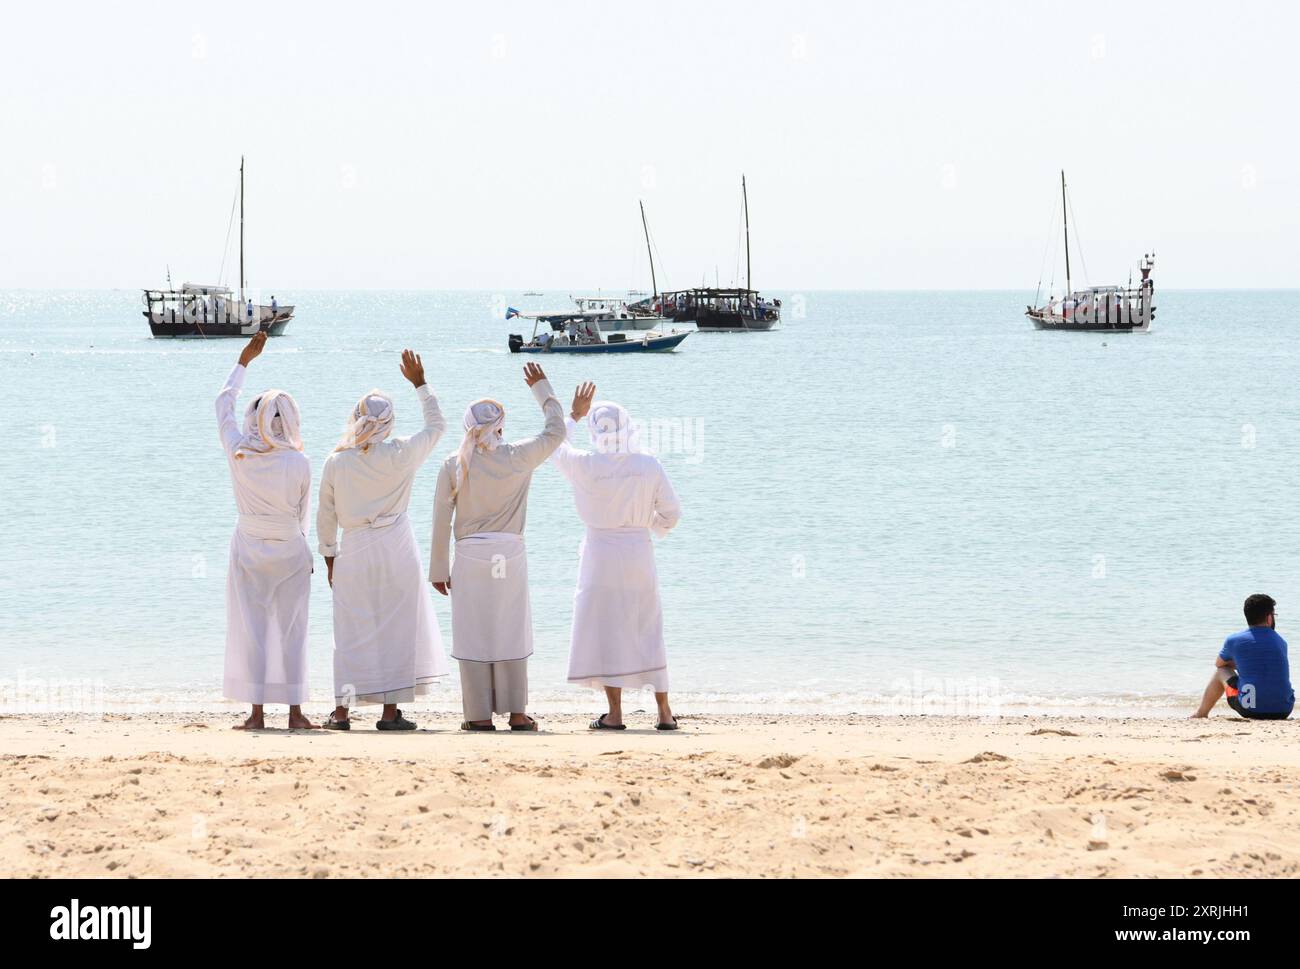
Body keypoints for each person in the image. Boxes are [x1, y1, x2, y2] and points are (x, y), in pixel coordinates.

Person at [430, 362, 565, 732]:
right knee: (510, 630)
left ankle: (477, 716)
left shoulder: (453, 465)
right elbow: (556, 431)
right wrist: (542, 389)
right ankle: (517, 713)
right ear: (501, 426)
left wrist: (438, 570)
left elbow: (442, 519)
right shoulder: (519, 456)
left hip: (470, 557)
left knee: (474, 634)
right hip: (509, 555)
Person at [318, 350, 448, 731]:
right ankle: (390, 713)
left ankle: (341, 712)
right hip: (396, 546)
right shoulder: (402, 453)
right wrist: (420, 384)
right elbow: (438, 426)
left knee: (351, 630)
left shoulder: (336, 460)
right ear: (389, 423)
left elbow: (325, 516)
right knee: (397, 628)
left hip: (354, 548)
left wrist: (330, 558)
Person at [549, 383, 682, 731]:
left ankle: (615, 714)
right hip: (638, 552)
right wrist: (642, 522)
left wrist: (574, 415)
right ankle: (665, 713)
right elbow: (672, 514)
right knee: (648, 628)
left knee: (606, 629)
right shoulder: (648, 464)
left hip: (600, 555)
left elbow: (554, 446)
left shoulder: (584, 463)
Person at [215, 331, 314, 730]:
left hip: (249, 548)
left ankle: (256, 714)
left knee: (252, 628)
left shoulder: (239, 452)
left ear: (253, 419)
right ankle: (294, 714)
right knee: (293, 630)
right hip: (290, 548)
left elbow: (222, 405)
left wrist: (244, 361)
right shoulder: (299, 462)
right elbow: (303, 513)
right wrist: (303, 547)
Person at [1192, 594, 1295, 719]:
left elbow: (1219, 664)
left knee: (1221, 672)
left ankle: (1201, 714)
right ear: (1269, 618)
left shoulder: (1234, 640)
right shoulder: (1281, 641)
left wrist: (1240, 663)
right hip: (1284, 709)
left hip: (1250, 709)